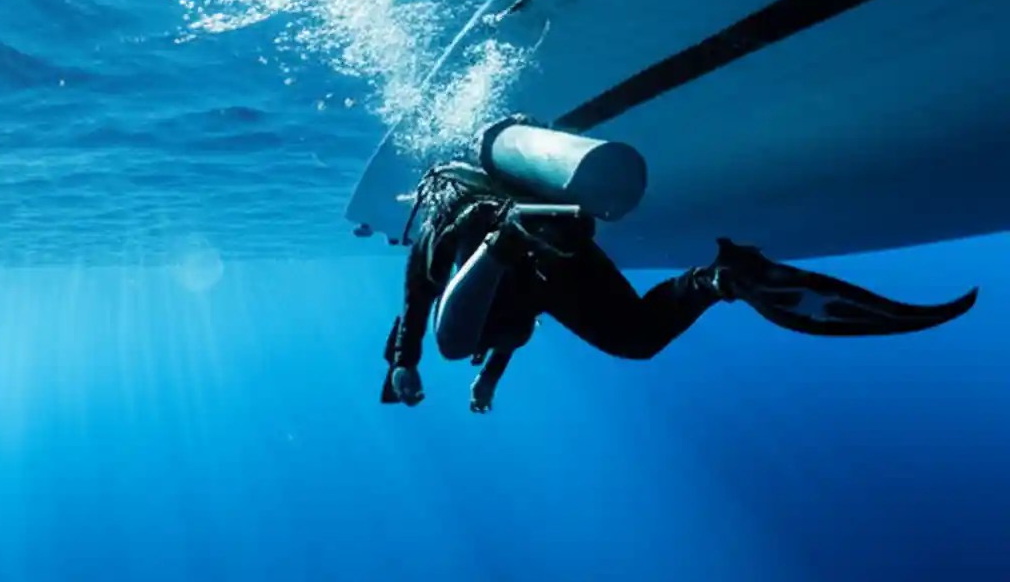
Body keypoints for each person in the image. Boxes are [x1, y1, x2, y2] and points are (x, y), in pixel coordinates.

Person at [380, 162, 978, 413]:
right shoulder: (496, 324)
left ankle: (508, 233)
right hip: (549, 257)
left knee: (452, 343)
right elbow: (505, 325)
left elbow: (416, 304)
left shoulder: (434, 270)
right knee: (637, 339)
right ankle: (719, 281)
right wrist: (487, 378)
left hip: (497, 234)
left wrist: (407, 363)